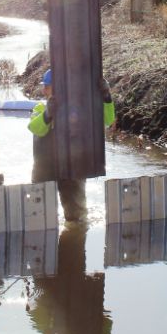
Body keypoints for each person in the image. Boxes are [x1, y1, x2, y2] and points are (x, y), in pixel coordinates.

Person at [28, 69, 116, 222]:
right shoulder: (40, 108)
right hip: (44, 171)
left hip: (73, 170)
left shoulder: (80, 109)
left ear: (60, 88)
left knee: (77, 219)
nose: (43, 91)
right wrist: (48, 114)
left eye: (47, 87)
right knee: (40, 218)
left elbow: (108, 120)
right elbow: (35, 128)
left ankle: (76, 233)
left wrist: (106, 97)